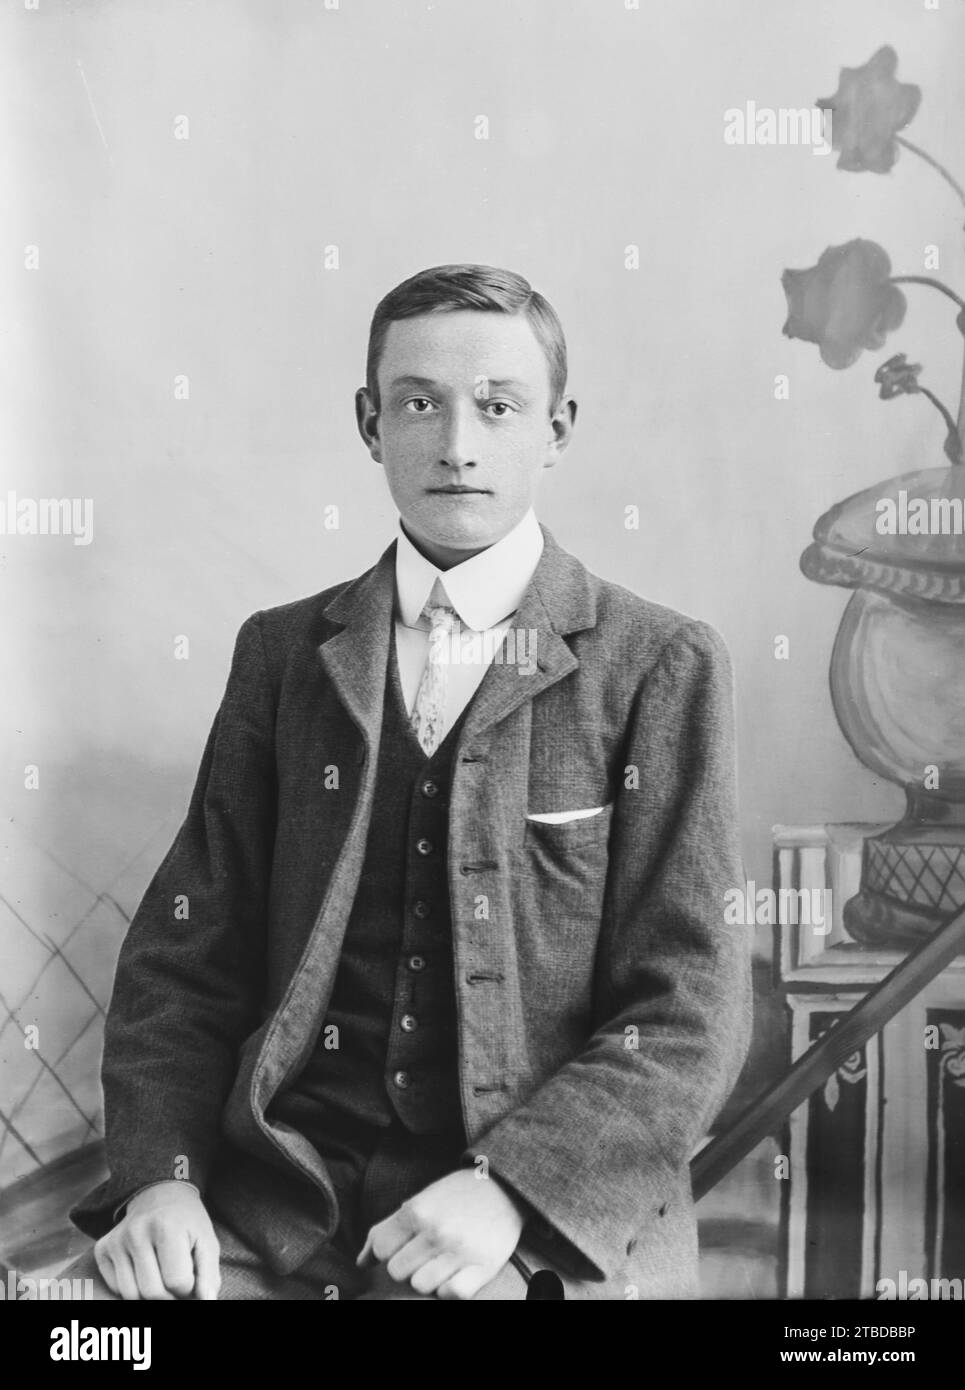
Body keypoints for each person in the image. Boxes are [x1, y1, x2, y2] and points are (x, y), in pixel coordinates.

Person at [67, 263, 751, 1300]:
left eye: (497, 406)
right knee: (77, 1324)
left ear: (557, 429)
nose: (458, 443)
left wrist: (511, 1188)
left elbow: (687, 1008)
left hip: (525, 1221)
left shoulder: (656, 665)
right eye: (419, 402)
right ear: (368, 422)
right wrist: (159, 1183)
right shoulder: (285, 654)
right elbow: (184, 958)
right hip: (284, 1200)